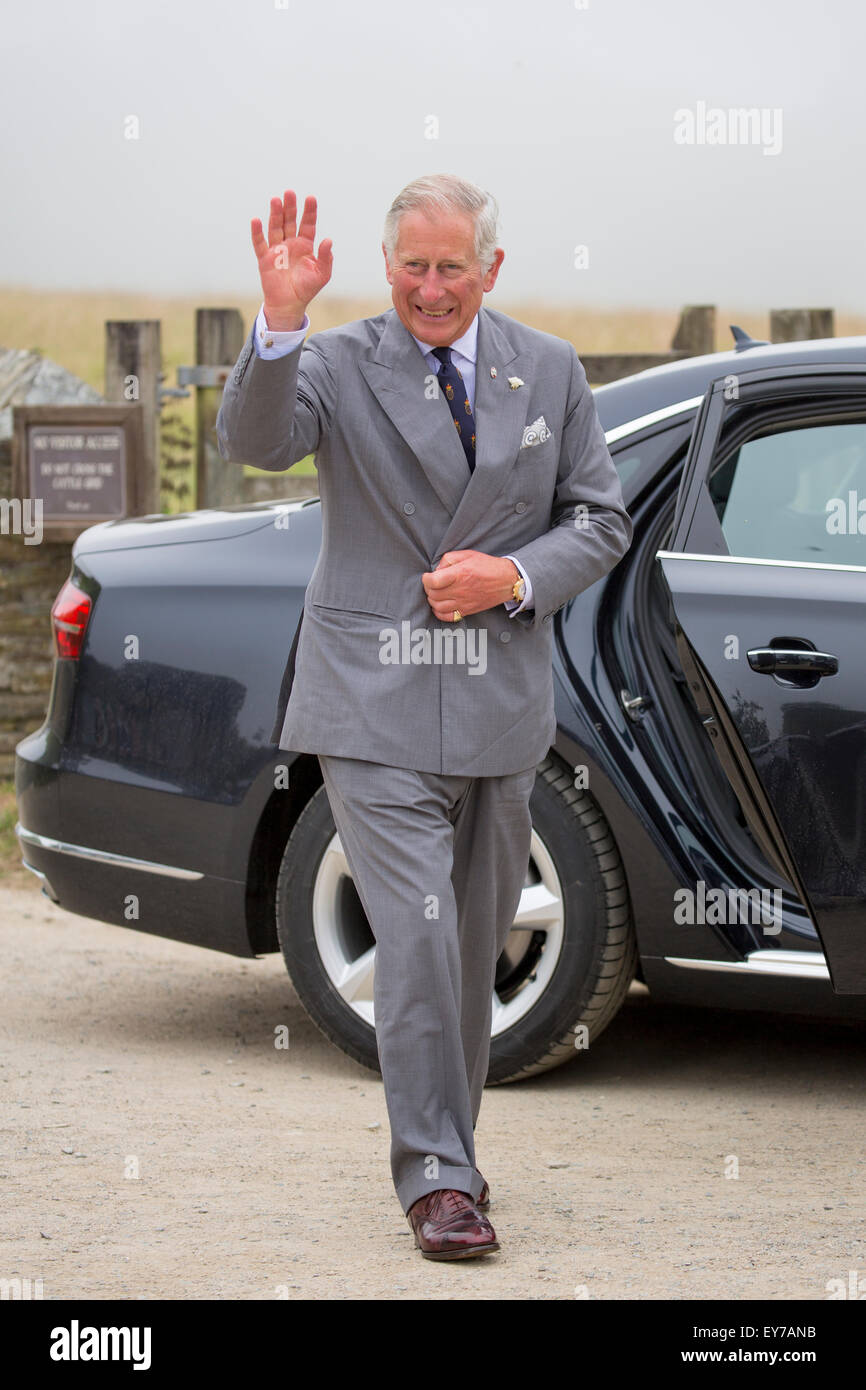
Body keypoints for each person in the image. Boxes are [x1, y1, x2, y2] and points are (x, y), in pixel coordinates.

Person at [217, 174, 632, 1260]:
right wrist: (278, 321)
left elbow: (598, 520)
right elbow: (255, 441)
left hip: (497, 708)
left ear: (490, 268)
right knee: (415, 936)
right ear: (386, 262)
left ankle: (455, 1154)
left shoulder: (546, 368)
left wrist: (511, 574)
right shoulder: (338, 361)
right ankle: (437, 1180)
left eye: (452, 267)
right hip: (371, 701)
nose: (430, 288)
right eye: (412, 265)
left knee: (469, 954)